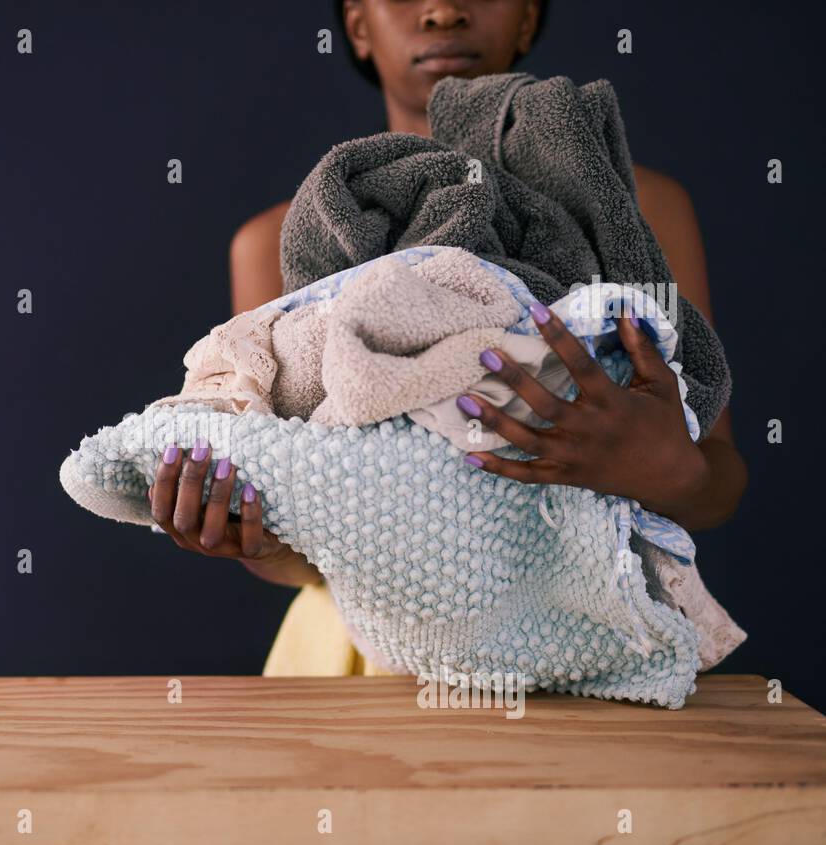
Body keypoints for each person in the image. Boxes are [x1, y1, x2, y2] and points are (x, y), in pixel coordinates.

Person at [145, 0, 747, 675]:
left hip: (586, 642)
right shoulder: (278, 244)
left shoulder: (640, 211)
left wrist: (667, 466)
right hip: (357, 663)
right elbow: (299, 560)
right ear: (357, 26)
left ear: (527, 17)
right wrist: (250, 536)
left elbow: (719, 480)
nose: (442, 10)